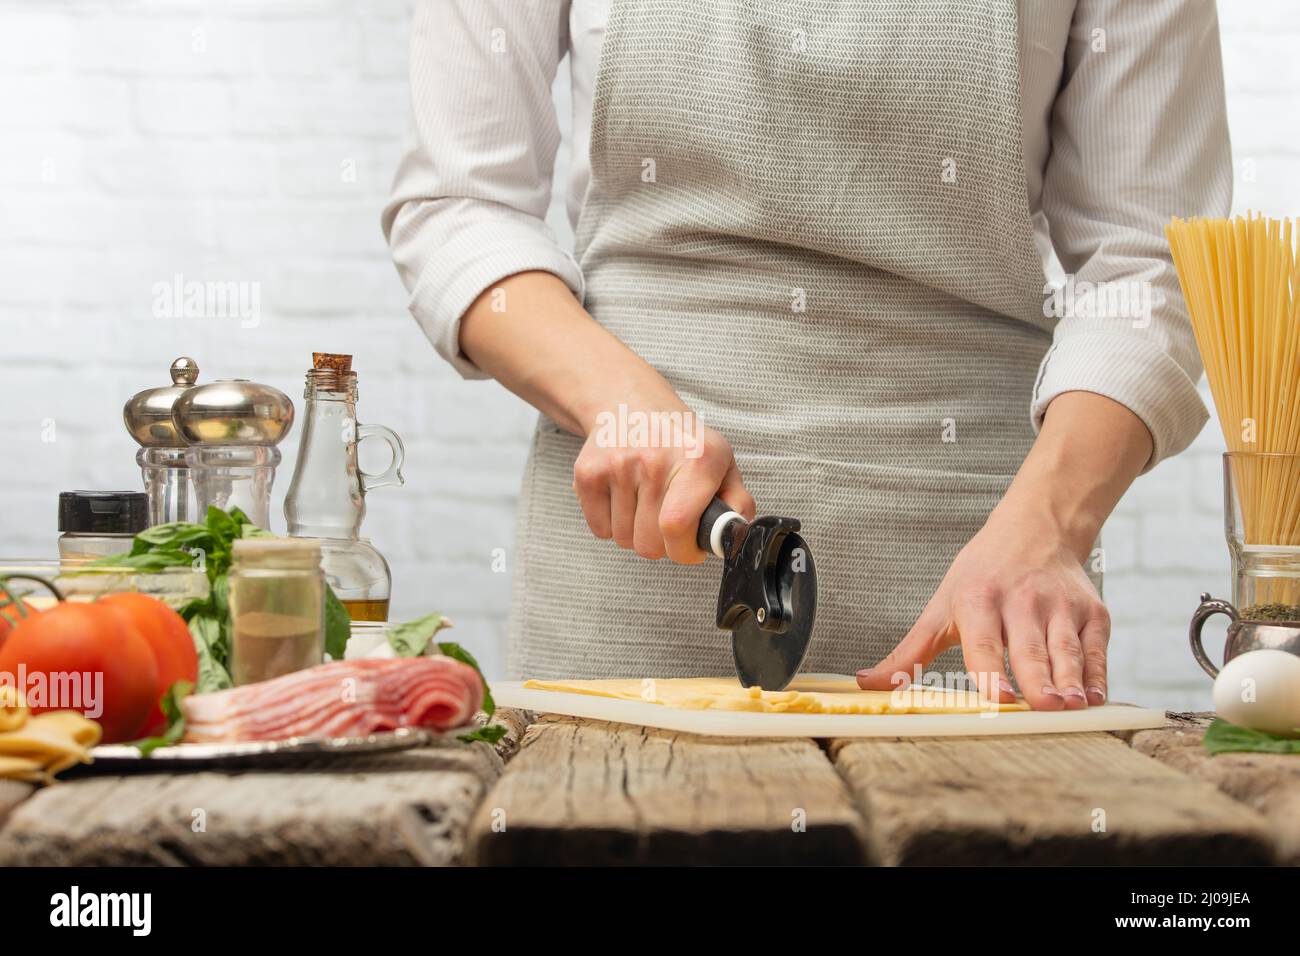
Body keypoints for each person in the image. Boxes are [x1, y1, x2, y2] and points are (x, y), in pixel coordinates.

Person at [383, 0, 1231, 709]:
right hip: (636, 568)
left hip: (986, 582)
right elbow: (460, 205)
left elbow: (1152, 262)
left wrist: (1049, 526)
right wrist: (618, 402)